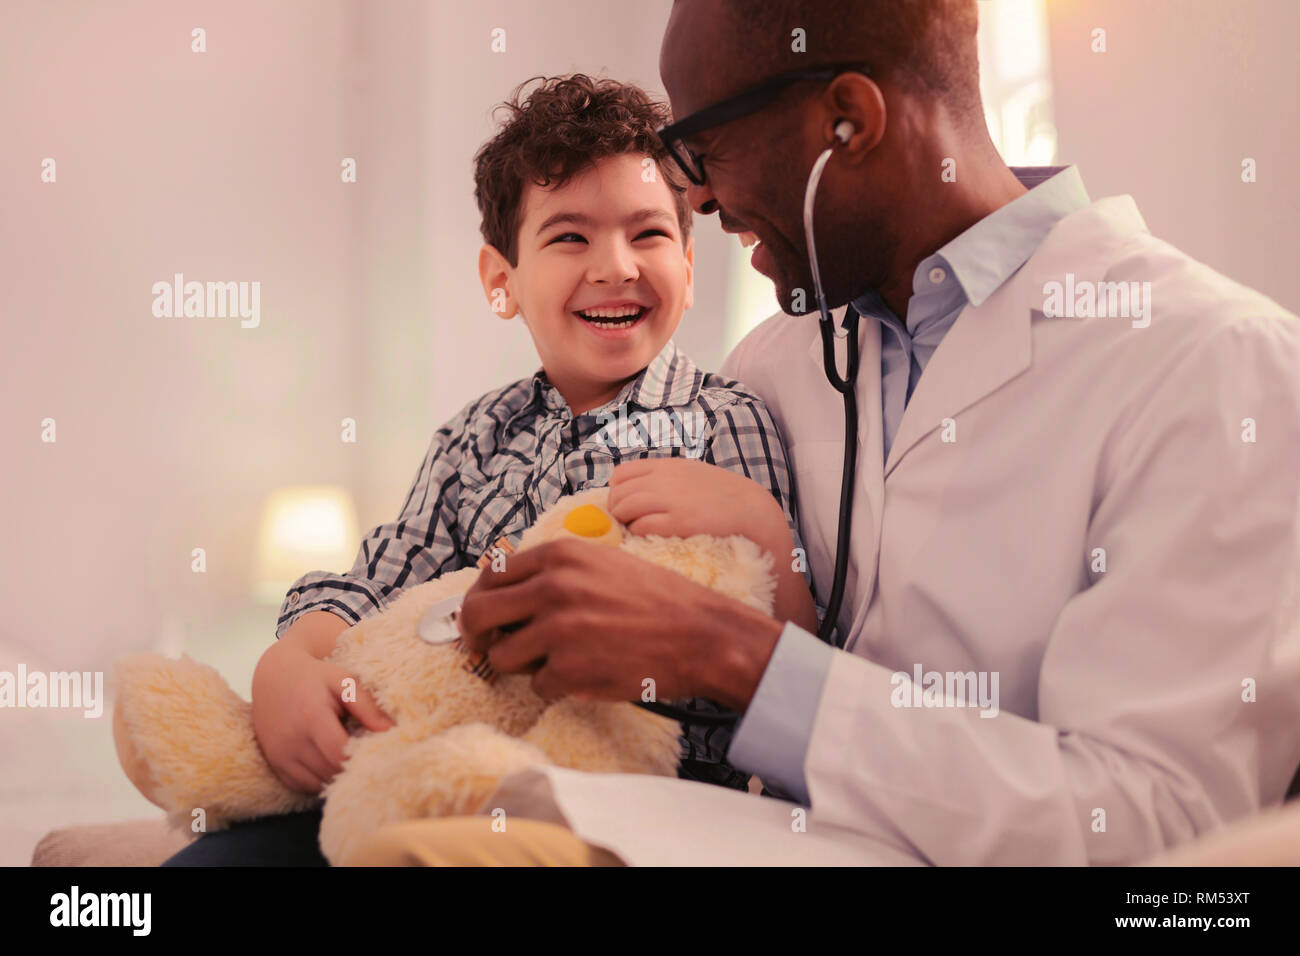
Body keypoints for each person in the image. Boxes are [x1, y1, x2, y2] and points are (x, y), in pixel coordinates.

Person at [347, 0, 1300, 866]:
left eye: (701, 150)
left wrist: (741, 660)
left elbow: (1166, 830)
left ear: (848, 121)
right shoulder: (775, 363)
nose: (702, 202)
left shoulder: (1216, 365)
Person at [161, 73, 817, 866]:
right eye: (569, 237)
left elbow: (792, 678)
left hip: (640, 799)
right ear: (501, 282)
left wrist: (764, 529)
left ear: (685, 261)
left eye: (646, 235)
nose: (615, 265)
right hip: (440, 768)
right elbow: (380, 580)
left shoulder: (727, 422)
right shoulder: (475, 436)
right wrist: (291, 659)